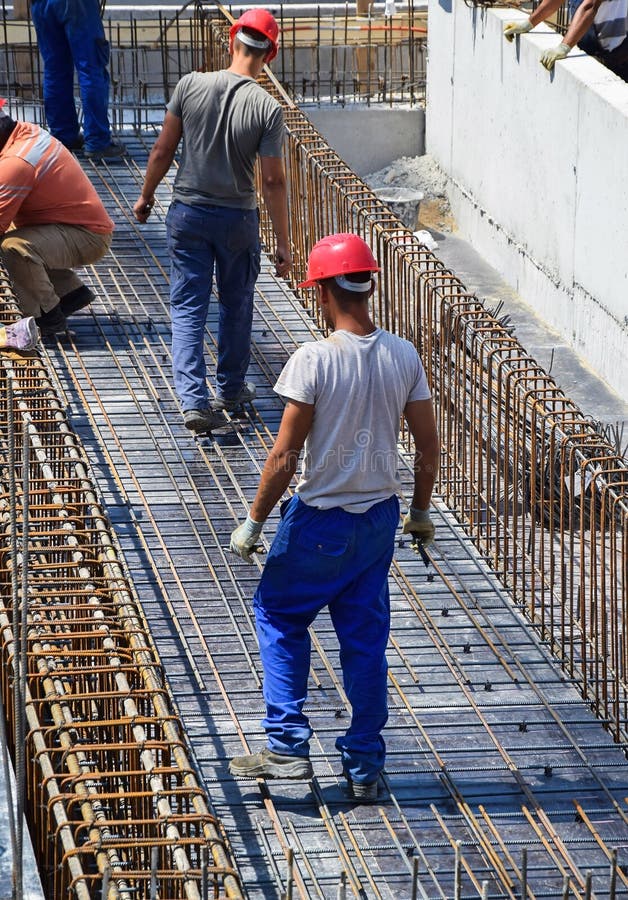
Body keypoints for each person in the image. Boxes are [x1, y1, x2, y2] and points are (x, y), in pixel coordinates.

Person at [227, 233, 439, 801]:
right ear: (368, 286)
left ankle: (287, 747)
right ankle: (366, 764)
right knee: (365, 639)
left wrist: (253, 521)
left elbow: (284, 455)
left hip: (321, 520)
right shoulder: (402, 354)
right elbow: (428, 445)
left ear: (322, 291)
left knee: (279, 614)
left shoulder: (315, 360)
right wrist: (419, 511)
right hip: (378, 522)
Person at [133, 8, 292, 434]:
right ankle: (232, 388)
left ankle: (194, 402)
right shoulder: (268, 109)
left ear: (231, 42)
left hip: (188, 214)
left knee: (188, 307)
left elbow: (162, 152)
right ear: (268, 57)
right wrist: (284, 242)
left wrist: (146, 196)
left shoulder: (190, 85)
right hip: (238, 219)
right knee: (236, 304)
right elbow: (273, 181)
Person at [0, 99, 114, 334]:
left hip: (87, 235)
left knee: (12, 247)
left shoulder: (16, 163)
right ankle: (68, 293)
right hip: (66, 225)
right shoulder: (24, 133)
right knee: (13, 232)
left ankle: (46, 317)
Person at [30, 0, 126, 160]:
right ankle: (97, 142)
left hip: (41, 4)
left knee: (55, 70)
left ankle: (63, 136)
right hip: (76, 4)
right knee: (91, 67)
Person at [504, 0, 628, 79]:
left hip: (617, 56)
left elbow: (589, 6)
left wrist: (564, 47)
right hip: (594, 50)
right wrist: (529, 23)